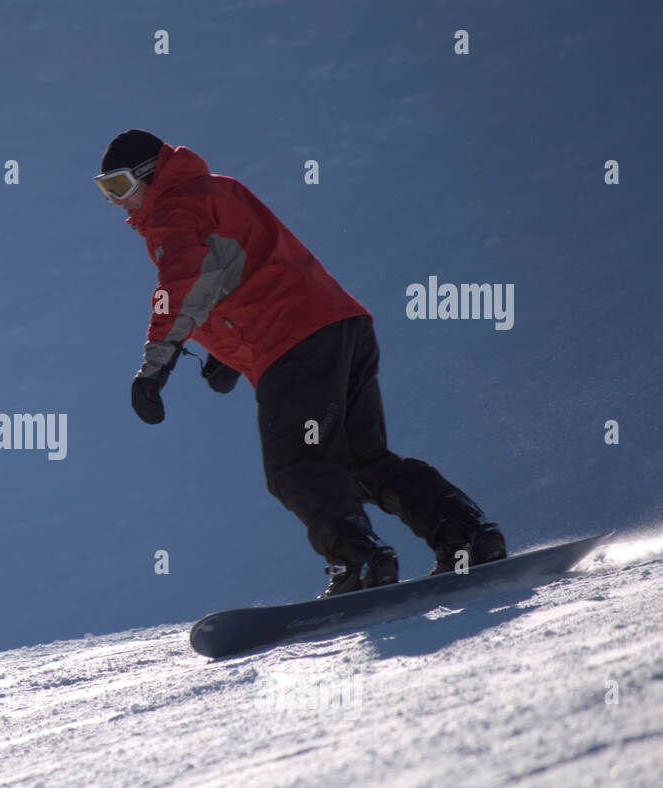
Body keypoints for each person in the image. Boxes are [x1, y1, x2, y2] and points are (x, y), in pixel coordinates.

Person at [95, 129, 506, 596]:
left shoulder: (173, 207)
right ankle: (467, 535)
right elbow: (236, 269)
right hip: (341, 327)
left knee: (297, 466)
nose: (115, 202)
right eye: (105, 189)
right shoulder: (217, 189)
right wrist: (226, 354)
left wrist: (156, 364)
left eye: (120, 187)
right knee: (359, 460)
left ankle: (361, 560)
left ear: (150, 174)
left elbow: (183, 281)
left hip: (293, 343)